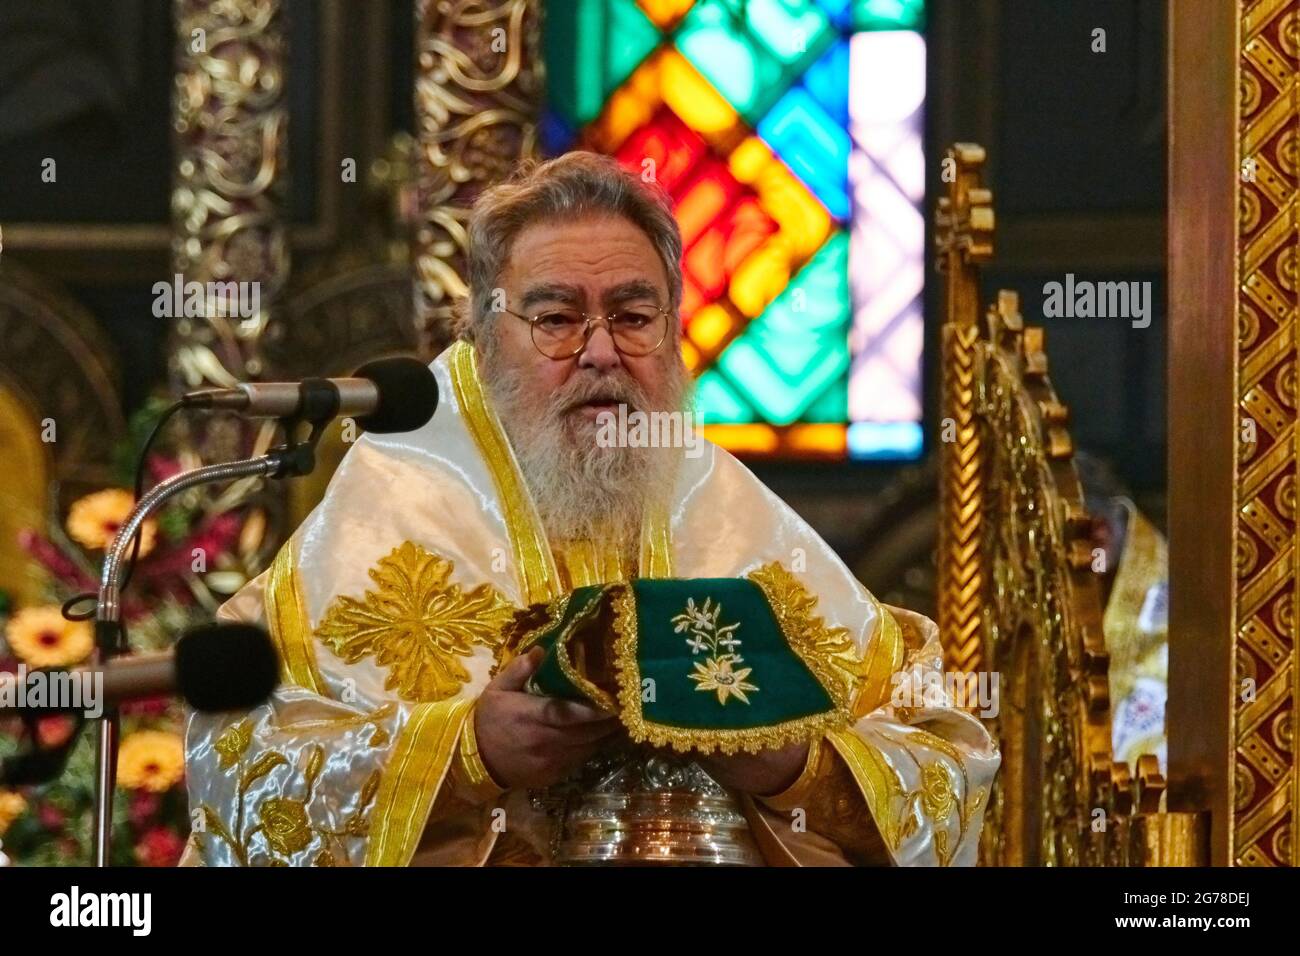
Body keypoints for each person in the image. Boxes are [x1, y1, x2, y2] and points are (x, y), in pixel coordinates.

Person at [182, 152, 999, 866]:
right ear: (484, 332)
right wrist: (467, 752)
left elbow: (944, 762)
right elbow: (243, 778)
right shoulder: (391, 504)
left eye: (634, 316)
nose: (601, 350)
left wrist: (797, 766)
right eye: (557, 318)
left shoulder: (725, 506)